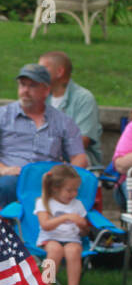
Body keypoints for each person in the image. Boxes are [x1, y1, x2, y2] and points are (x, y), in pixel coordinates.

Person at [0, 64, 88, 207]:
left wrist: (64, 177)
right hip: (12, 176)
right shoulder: (3, 116)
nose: (25, 91)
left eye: (32, 86)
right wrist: (3, 169)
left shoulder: (63, 121)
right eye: (22, 85)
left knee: (73, 190)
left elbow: (79, 156)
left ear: (46, 90)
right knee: (5, 185)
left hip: (49, 180)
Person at [35, 164, 89, 285]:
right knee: (55, 251)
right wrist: (66, 217)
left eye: (76, 189)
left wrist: (83, 225)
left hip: (72, 239)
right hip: (50, 238)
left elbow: (84, 233)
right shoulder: (44, 202)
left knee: (73, 251)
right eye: (69, 190)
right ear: (55, 188)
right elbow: (45, 225)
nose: (74, 193)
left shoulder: (78, 204)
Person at [39, 51, 101, 170]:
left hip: (76, 159)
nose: (38, 73)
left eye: (43, 69)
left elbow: (82, 141)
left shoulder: (84, 98)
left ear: (59, 72)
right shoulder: (40, 96)